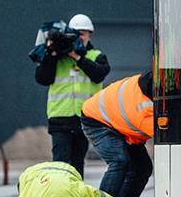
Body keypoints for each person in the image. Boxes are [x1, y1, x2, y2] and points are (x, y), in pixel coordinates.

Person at [35, 14, 110, 176]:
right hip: (60, 117)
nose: (78, 38)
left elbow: (99, 74)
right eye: (75, 34)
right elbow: (42, 78)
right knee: (60, 162)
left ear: (90, 35)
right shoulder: (58, 57)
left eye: (83, 34)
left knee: (77, 163)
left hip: (84, 118)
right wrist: (51, 54)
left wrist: (77, 56)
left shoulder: (96, 56)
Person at [81, 72, 154, 197]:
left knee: (142, 168)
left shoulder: (149, 81)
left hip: (120, 122)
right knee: (119, 161)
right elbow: (165, 134)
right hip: (97, 120)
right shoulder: (144, 110)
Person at [18, 161, 110, 197]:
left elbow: (99, 195)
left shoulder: (77, 191)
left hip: (67, 173)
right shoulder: (77, 190)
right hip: (33, 174)